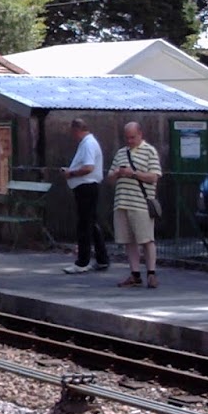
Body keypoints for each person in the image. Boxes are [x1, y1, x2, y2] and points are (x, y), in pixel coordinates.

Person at [107, 121, 162, 288]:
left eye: (132, 137)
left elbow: (154, 176)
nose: (129, 141)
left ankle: (151, 273)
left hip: (140, 204)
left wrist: (134, 174)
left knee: (146, 239)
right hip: (122, 202)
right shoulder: (121, 153)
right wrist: (117, 173)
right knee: (128, 240)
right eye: (127, 137)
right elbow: (109, 179)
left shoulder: (150, 151)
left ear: (140, 135)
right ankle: (135, 273)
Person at [57, 118, 109, 274]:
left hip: (86, 186)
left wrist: (71, 173)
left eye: (73, 132)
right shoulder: (89, 142)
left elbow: (88, 167)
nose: (73, 136)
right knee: (91, 223)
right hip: (86, 186)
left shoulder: (87, 144)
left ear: (76, 130)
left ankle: (82, 261)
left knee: (84, 225)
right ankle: (102, 258)